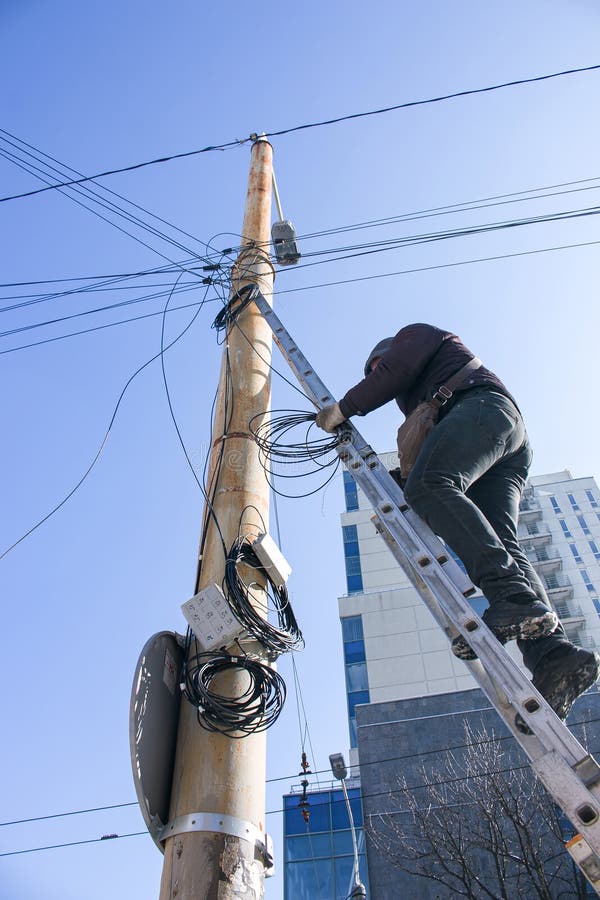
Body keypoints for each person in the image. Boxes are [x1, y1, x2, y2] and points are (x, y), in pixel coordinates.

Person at [316, 323, 600, 730]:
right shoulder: (424, 397)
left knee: (431, 487)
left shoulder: (413, 338)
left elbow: (396, 373)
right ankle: (554, 656)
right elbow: (432, 453)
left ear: (385, 356)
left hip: (483, 410)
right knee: (502, 541)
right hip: (500, 435)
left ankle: (514, 602)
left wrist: (342, 409)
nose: (379, 377)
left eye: (377, 369)